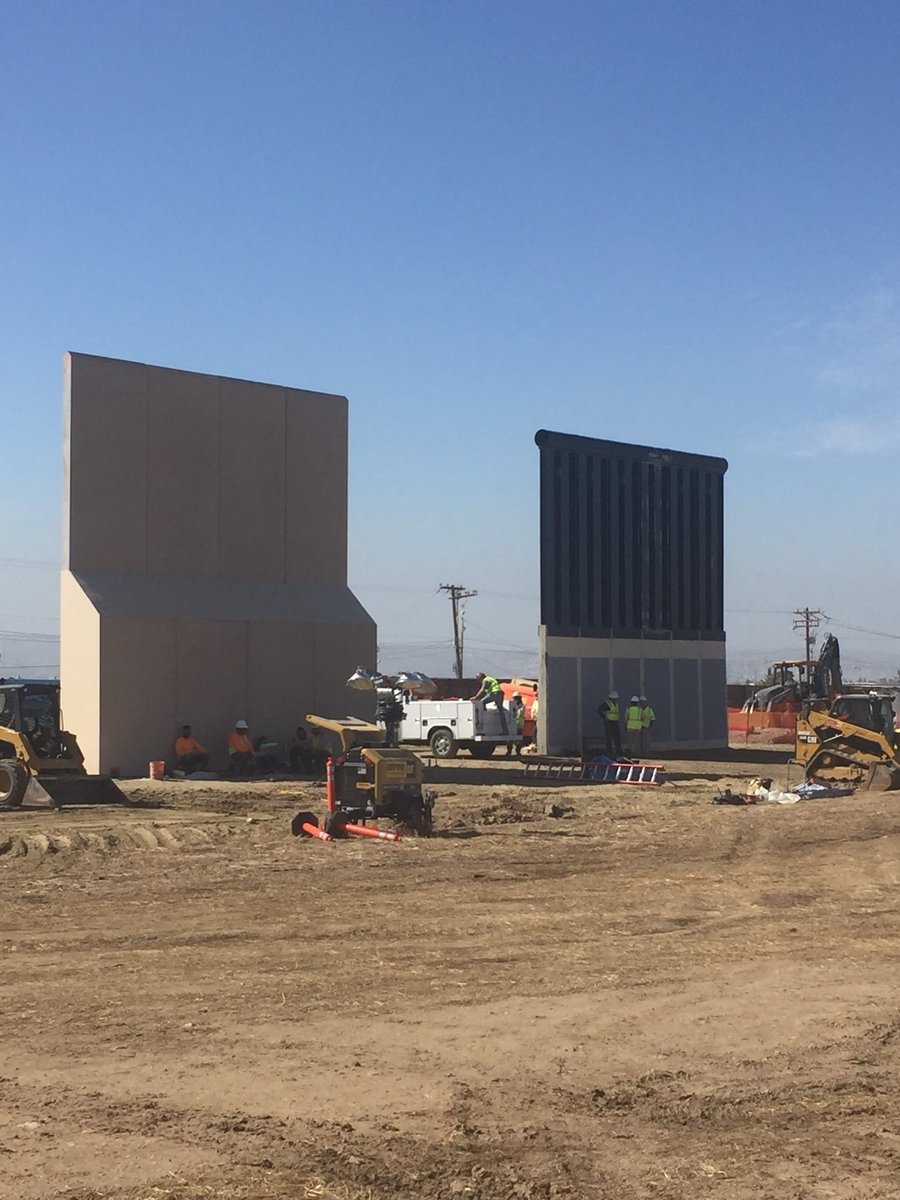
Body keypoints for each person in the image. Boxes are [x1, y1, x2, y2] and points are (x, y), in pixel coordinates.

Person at [596, 691, 622, 759]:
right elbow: (599, 709)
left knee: (617, 737)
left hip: (615, 721)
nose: (616, 699)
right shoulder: (607, 704)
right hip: (609, 722)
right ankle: (609, 751)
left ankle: (618, 750)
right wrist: (604, 717)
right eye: (615, 698)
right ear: (611, 698)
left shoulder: (616, 703)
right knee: (609, 737)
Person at [506, 691, 525, 756]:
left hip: (519, 724)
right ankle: (509, 751)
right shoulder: (511, 706)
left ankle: (518, 751)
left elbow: (520, 713)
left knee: (519, 739)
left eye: (517, 698)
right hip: (512, 725)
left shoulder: (522, 706)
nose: (515, 699)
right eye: (515, 698)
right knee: (509, 739)